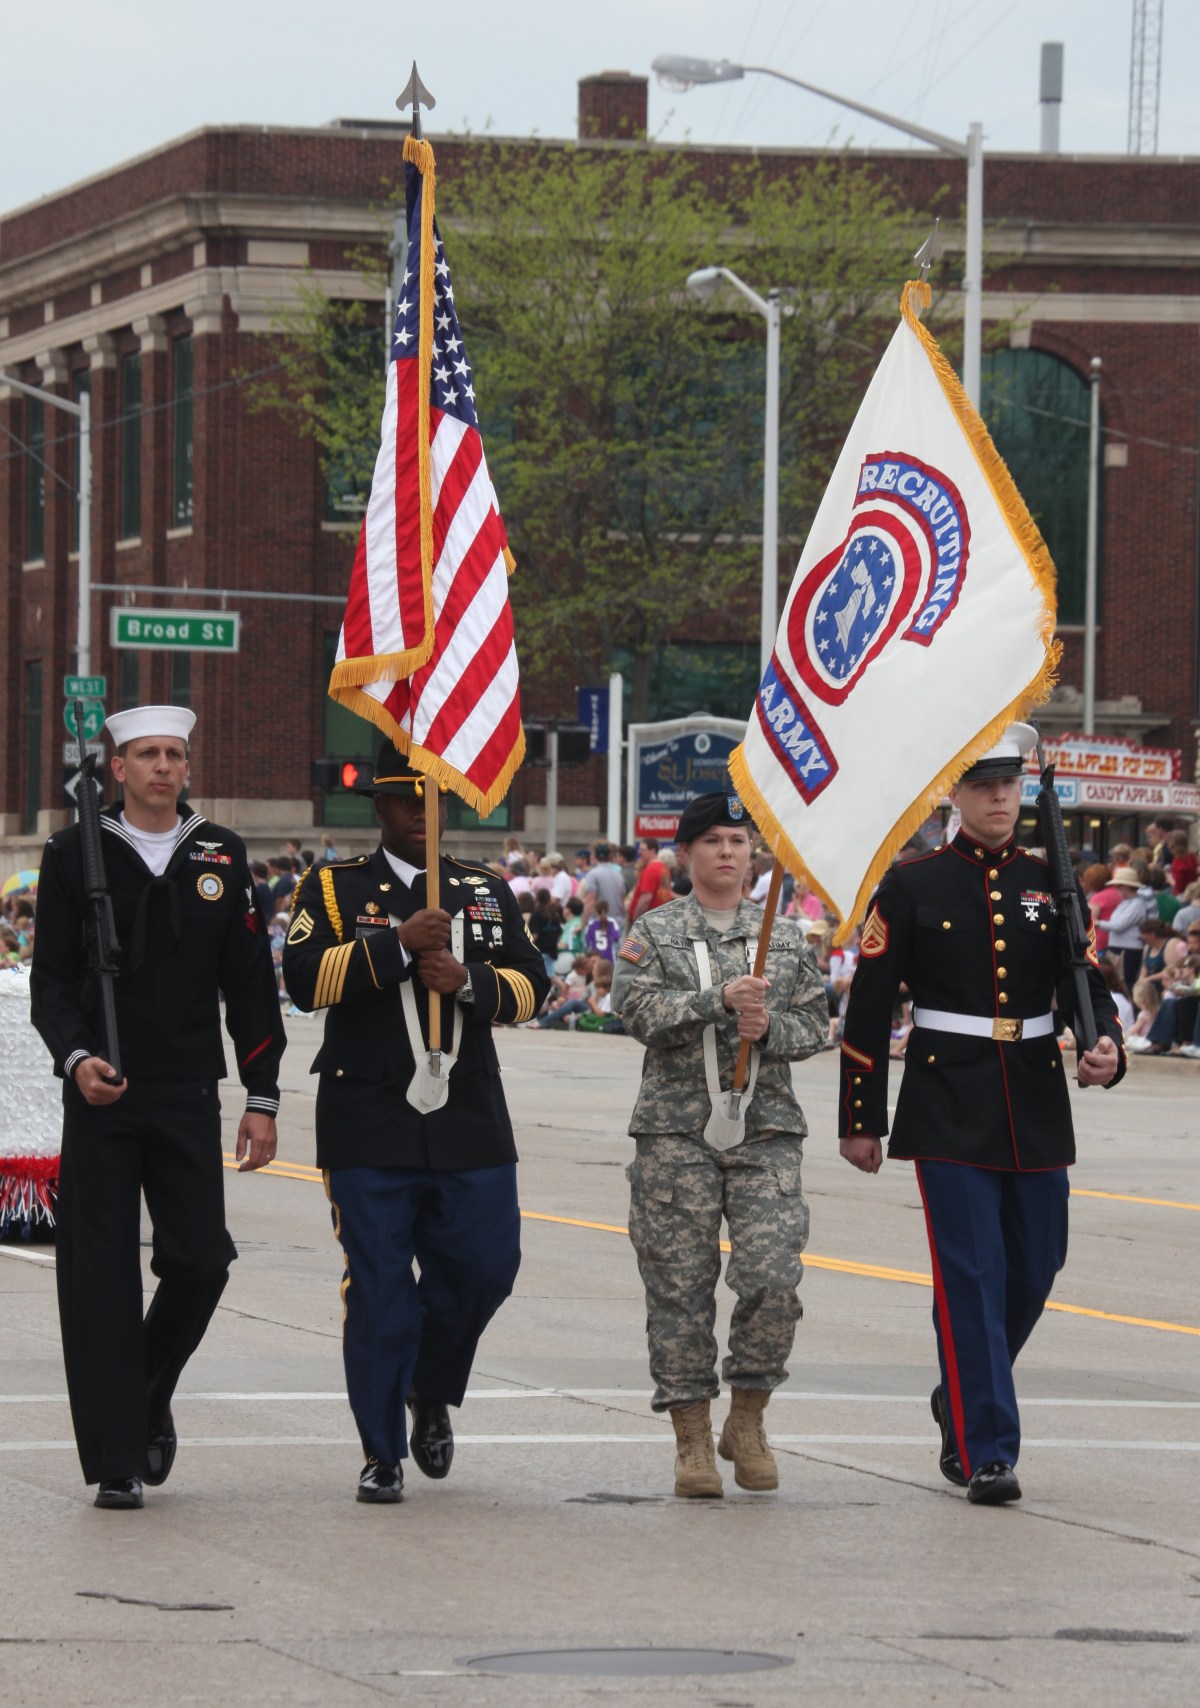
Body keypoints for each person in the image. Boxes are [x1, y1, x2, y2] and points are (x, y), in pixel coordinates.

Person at [838, 724, 1124, 1506]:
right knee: (971, 1275)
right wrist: (861, 1116)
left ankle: (961, 1392)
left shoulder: (1047, 881)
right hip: (946, 1100)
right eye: (983, 784)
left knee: (1036, 1265)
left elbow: (1082, 981)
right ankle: (985, 1448)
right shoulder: (913, 883)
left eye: (1010, 783)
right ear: (953, 794)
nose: (1000, 796)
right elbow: (868, 1006)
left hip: (1032, 1097)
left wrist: (1107, 1047)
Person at [30, 705, 285, 1510]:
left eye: (175, 754)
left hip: (184, 1091)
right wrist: (76, 1061)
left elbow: (247, 982)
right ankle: (116, 1457)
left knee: (201, 1261)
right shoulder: (75, 852)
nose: (164, 767)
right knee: (97, 1277)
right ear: (118, 768)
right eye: (147, 754)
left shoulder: (220, 852)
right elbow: (52, 984)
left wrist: (262, 1094)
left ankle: (143, 1392)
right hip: (103, 1093)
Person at [281, 743, 549, 1505]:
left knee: (486, 1267)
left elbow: (535, 986)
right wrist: (395, 945)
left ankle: (430, 1388)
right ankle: (381, 1449)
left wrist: (471, 981)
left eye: (432, 806)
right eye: (404, 804)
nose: (418, 818)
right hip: (369, 1116)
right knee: (379, 1287)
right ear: (380, 808)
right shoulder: (334, 888)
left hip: (468, 1113)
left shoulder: (486, 891)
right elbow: (302, 982)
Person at [612, 792, 828, 1500]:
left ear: (753, 855)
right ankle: (693, 1439)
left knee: (772, 1280)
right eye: (712, 841)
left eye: (738, 840)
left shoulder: (786, 937)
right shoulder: (658, 930)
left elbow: (814, 1025)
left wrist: (768, 1027)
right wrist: (716, 1002)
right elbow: (635, 1009)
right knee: (678, 1287)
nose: (728, 853)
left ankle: (749, 1417)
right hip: (677, 1134)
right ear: (686, 854)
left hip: (765, 1132)